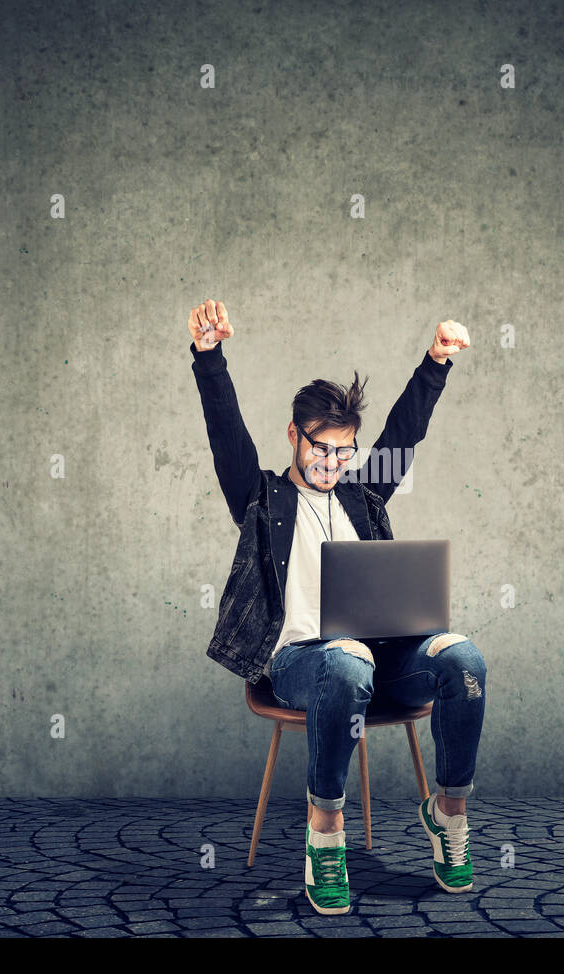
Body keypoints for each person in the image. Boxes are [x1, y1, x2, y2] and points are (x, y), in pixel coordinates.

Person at [187, 299, 487, 915]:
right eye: (321, 450)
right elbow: (225, 432)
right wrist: (209, 356)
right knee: (346, 663)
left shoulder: (361, 495)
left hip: (382, 658)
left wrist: (435, 363)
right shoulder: (261, 496)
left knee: (463, 658)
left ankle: (448, 816)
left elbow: (405, 435)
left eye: (343, 452)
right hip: (303, 662)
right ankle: (325, 835)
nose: (331, 464)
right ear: (295, 436)